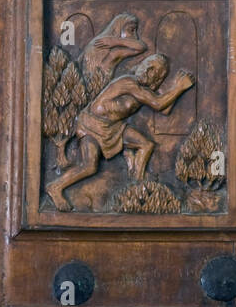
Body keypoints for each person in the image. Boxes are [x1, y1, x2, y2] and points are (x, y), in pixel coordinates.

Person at [46, 53, 194, 211]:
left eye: (158, 74)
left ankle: (137, 184)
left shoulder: (144, 91)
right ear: (145, 67)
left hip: (113, 128)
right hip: (92, 125)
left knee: (146, 144)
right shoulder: (130, 83)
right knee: (89, 166)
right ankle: (55, 187)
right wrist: (179, 88)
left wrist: (176, 88)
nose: (152, 74)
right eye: (151, 68)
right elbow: (157, 104)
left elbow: (164, 109)